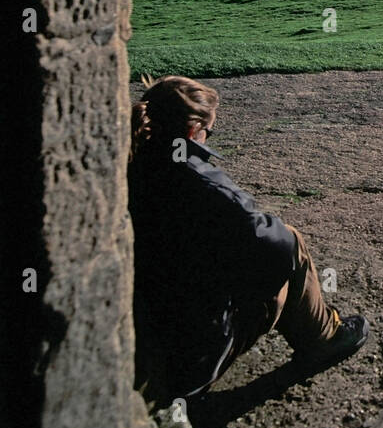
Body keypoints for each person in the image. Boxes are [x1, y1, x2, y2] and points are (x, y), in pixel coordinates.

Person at [127, 75, 369, 406]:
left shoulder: (133, 162)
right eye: (208, 132)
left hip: (149, 328)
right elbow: (275, 249)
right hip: (189, 359)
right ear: (192, 131)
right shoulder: (201, 184)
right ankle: (325, 338)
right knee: (289, 240)